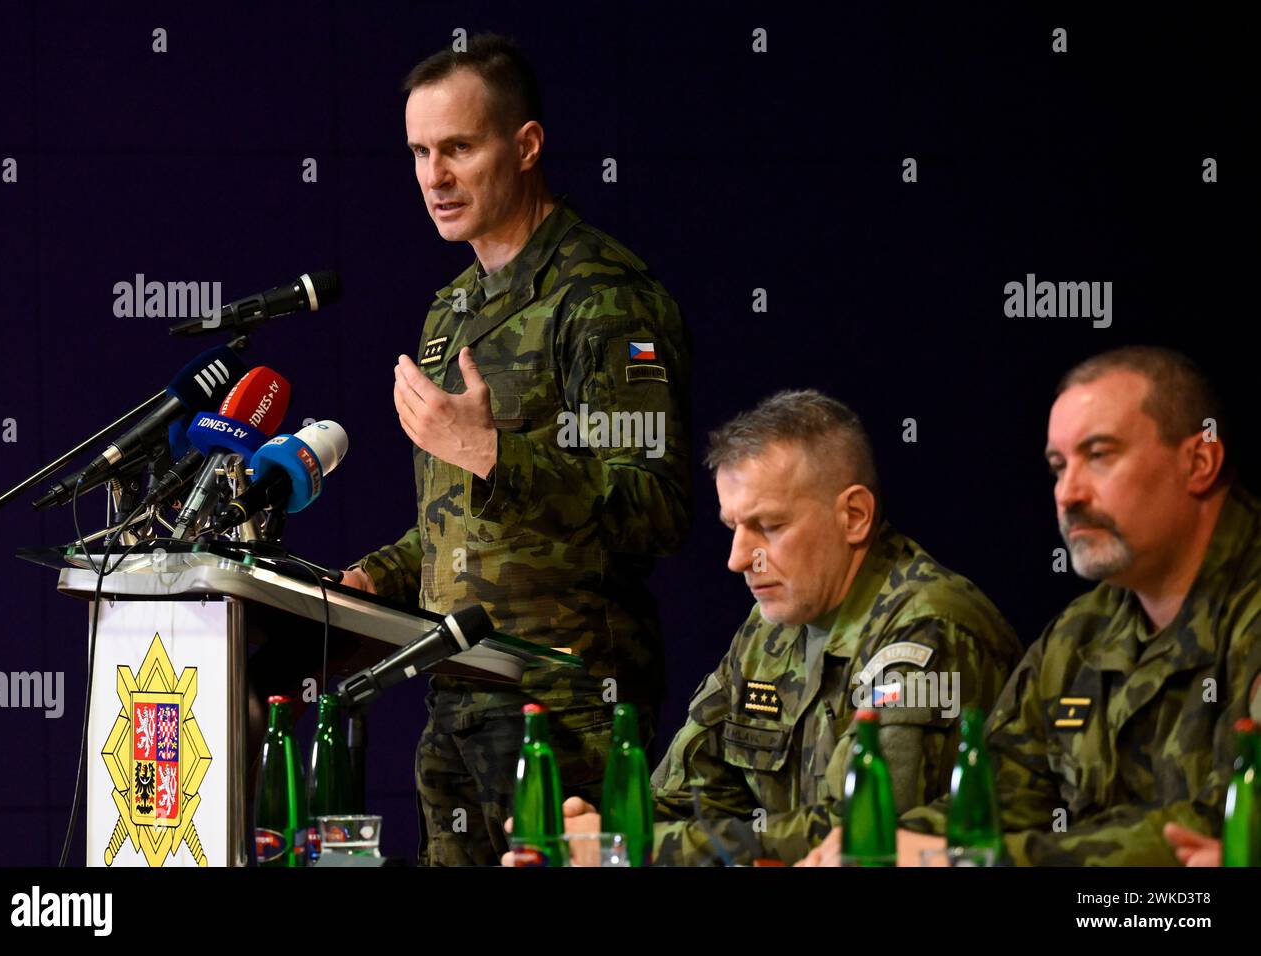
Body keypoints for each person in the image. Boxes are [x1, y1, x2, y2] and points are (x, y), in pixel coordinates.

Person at [338, 33, 691, 866]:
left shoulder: (604, 300)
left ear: (526, 145)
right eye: (421, 152)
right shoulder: (450, 312)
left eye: (459, 147)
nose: (434, 176)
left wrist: (496, 452)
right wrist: (364, 585)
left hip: (569, 709)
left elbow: (656, 507)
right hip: (457, 691)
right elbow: (462, 523)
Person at [506, 389, 1020, 865]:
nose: (736, 559)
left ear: (855, 516)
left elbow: (862, 839)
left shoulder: (930, 631)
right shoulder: (772, 623)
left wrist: (641, 849)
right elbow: (692, 796)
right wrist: (602, 834)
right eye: (733, 528)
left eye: (769, 526)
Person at [801, 346, 1261, 866]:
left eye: (1101, 454)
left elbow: (1226, 828)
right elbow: (995, 797)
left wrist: (963, 859)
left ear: (1199, 462)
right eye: (1059, 466)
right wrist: (876, 847)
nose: (1068, 493)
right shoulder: (1082, 633)